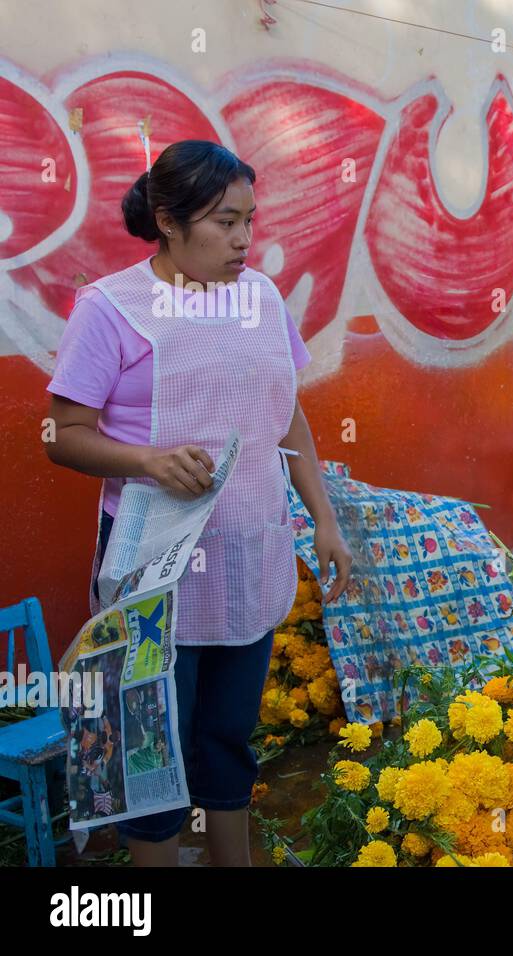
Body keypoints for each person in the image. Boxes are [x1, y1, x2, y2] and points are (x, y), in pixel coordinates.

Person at [44, 139, 353, 867]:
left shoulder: (261, 299)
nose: (244, 240)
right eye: (224, 222)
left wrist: (325, 519)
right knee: (151, 741)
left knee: (226, 735)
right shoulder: (111, 310)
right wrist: (145, 460)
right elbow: (62, 434)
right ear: (168, 223)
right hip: (154, 569)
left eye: (250, 220)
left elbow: (288, 415)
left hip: (247, 551)